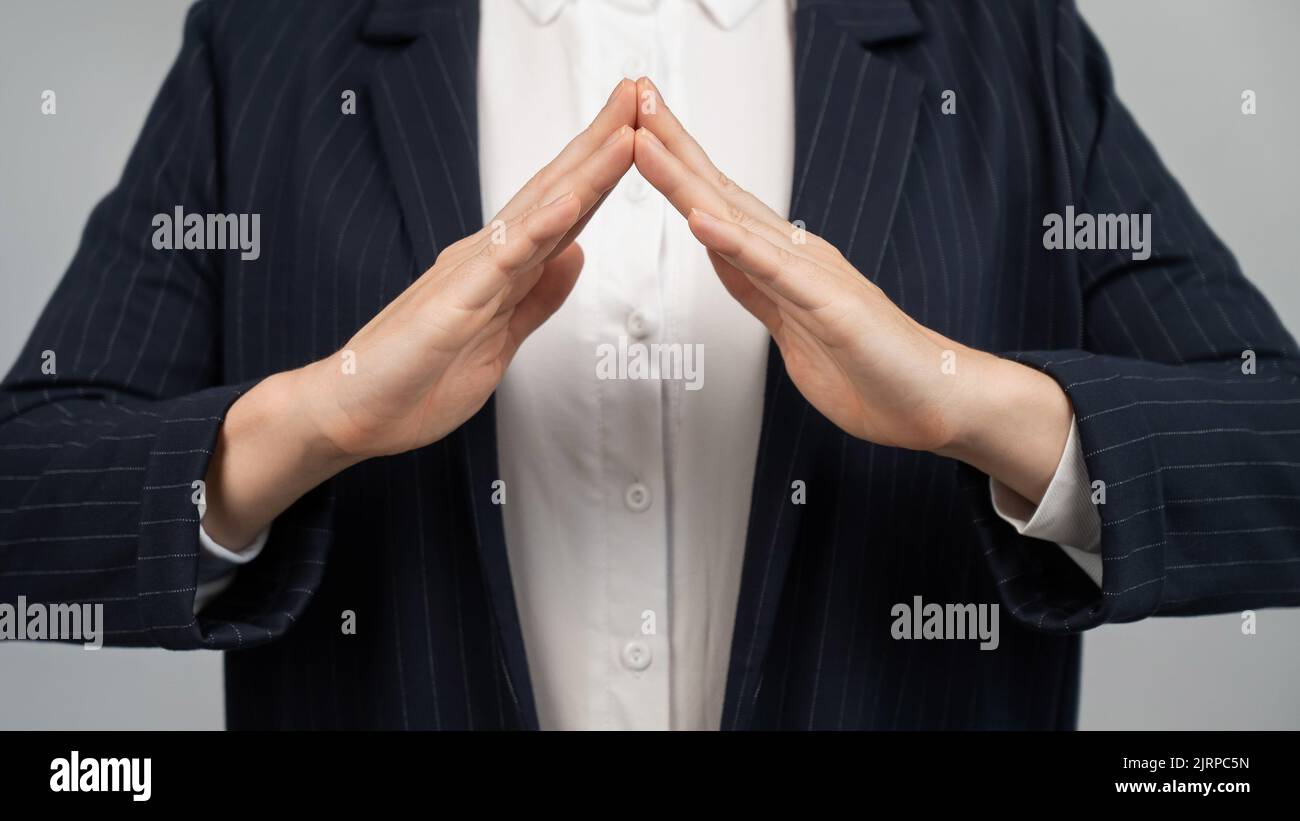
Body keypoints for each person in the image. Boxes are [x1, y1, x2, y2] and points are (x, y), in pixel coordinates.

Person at [2, 0, 1297, 731]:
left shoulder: (999, 43)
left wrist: (959, 394)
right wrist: (319, 417)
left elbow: (1275, 450)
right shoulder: (271, 44)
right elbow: (28, 495)